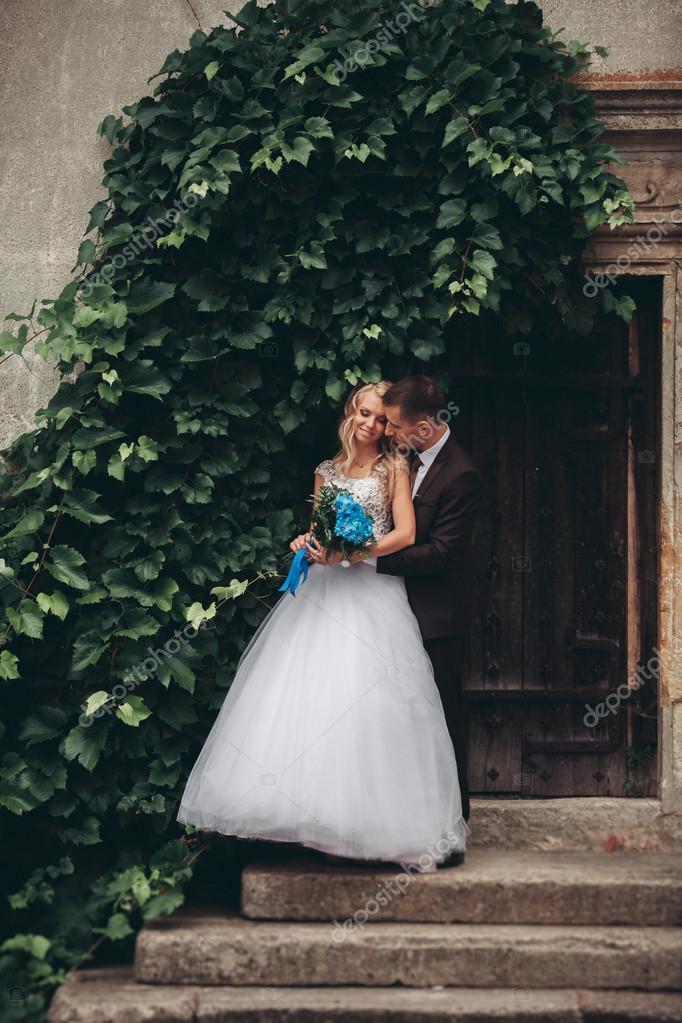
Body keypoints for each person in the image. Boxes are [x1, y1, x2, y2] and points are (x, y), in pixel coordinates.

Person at [177, 380, 470, 871]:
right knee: (309, 696)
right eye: (366, 414)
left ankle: (374, 825)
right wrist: (309, 544)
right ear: (351, 412)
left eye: (382, 419)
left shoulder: (394, 466)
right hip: (324, 592)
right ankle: (318, 825)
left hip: (372, 593)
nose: (374, 425)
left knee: (373, 704)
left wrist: (353, 553)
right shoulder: (326, 471)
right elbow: (321, 525)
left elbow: (406, 533)